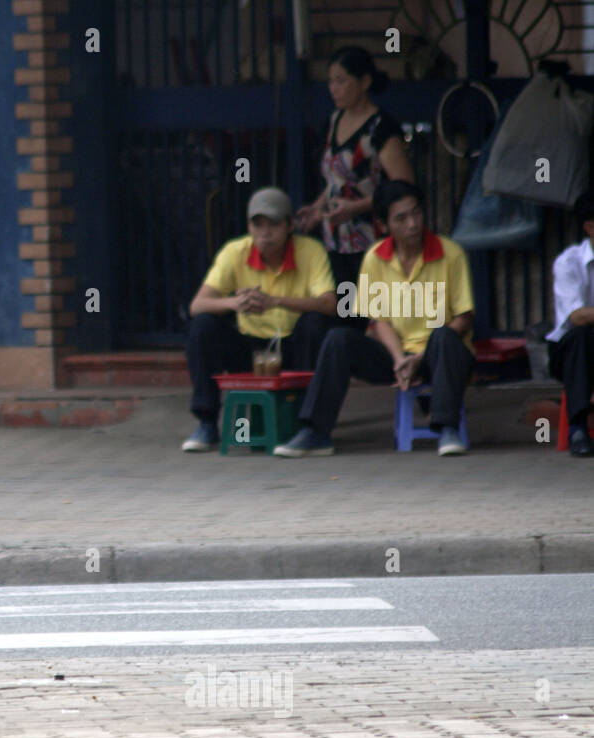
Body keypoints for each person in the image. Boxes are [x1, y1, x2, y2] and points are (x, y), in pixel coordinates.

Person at [274, 180, 475, 457]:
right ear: (383, 225)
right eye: (401, 218)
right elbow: (378, 322)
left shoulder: (450, 254)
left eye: (416, 213)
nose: (413, 224)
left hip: (440, 356)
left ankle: (447, 429)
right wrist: (399, 360)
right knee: (338, 339)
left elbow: (464, 318)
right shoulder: (374, 259)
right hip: (397, 356)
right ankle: (316, 432)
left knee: (443, 335)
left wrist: (419, 357)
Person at [182, 187, 337, 452]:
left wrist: (275, 301)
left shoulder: (310, 250)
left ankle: (308, 424)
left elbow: (330, 304)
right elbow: (197, 304)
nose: (265, 233)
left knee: (316, 323)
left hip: (293, 346)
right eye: (258, 225)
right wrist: (234, 303)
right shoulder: (234, 251)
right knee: (203, 325)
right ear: (248, 227)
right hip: (250, 349)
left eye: (274, 224)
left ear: (289, 225)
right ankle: (207, 423)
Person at [294, 46, 415, 315]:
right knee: (344, 310)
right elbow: (335, 179)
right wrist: (317, 208)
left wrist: (356, 207)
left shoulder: (380, 127)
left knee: (372, 312)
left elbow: (402, 185)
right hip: (336, 239)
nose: (333, 88)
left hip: (372, 237)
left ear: (364, 82)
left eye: (341, 80)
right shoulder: (332, 121)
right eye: (330, 81)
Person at [548, 190, 594, 456]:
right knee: (580, 334)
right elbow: (576, 315)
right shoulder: (568, 262)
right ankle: (577, 428)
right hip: (569, 354)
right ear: (589, 227)